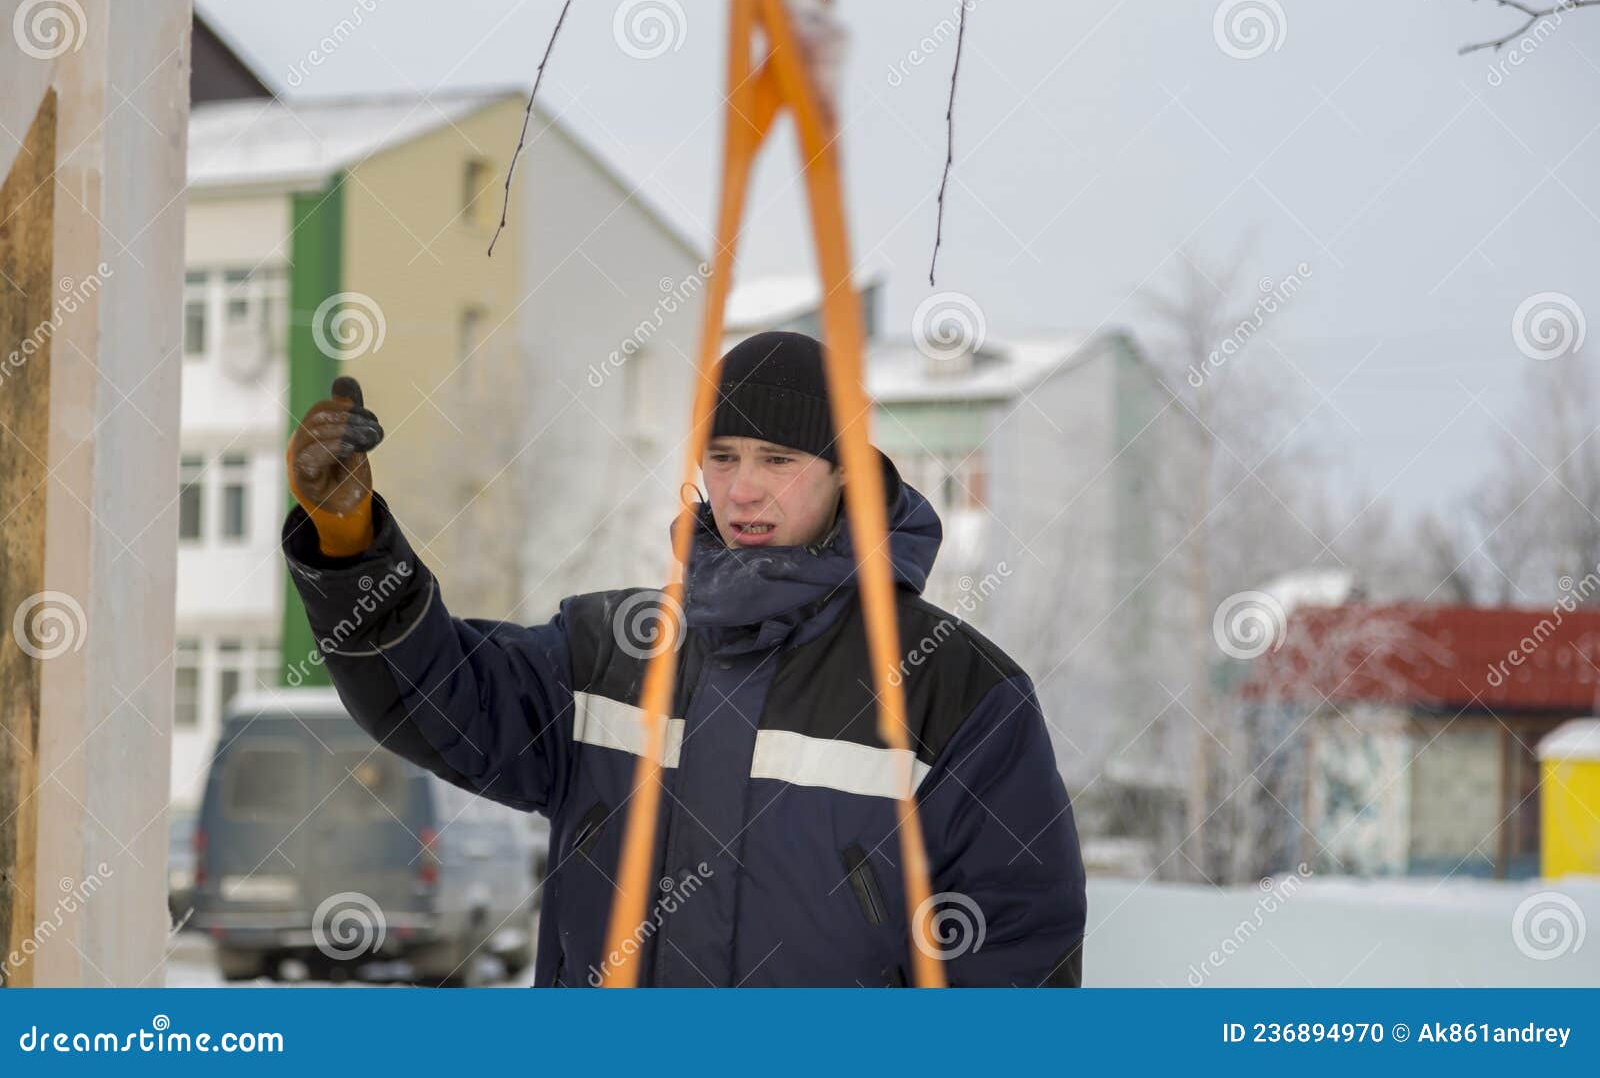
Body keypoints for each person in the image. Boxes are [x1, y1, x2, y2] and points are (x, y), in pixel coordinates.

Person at [281, 329, 1087, 986]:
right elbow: (439, 696)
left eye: (778, 459)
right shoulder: (610, 652)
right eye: (723, 455)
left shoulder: (953, 689)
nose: (742, 489)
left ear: (845, 471)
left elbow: (1017, 956)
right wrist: (348, 544)